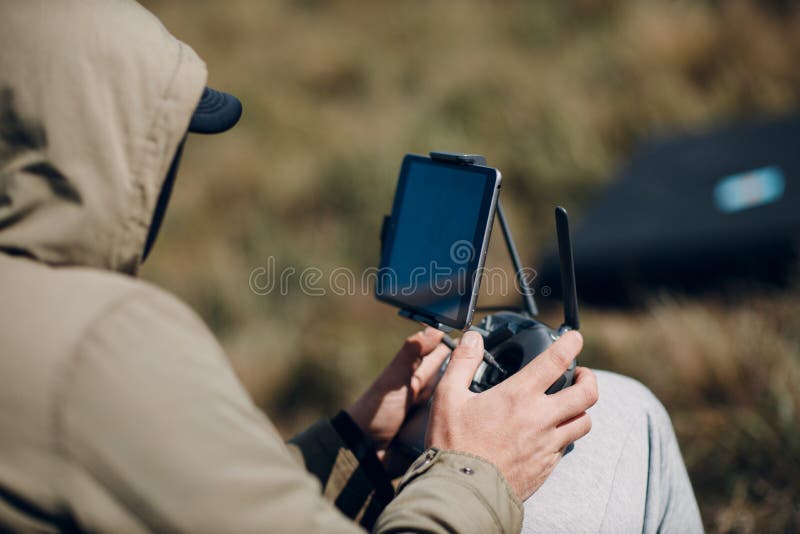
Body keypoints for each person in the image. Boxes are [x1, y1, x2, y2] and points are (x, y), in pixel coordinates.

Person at [0, 1, 702, 532]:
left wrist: (348, 451)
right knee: (624, 415)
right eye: (163, 141)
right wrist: (476, 470)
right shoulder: (100, 346)